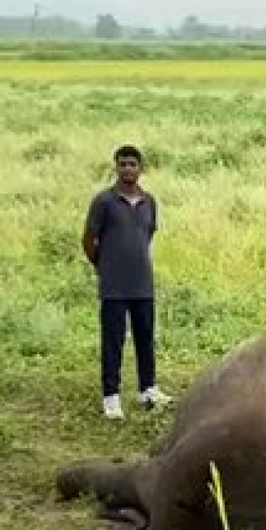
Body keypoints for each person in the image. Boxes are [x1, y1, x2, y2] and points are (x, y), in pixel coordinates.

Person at [83, 145, 171, 421]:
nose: (128, 169)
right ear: (116, 167)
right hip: (114, 285)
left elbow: (149, 234)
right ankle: (111, 397)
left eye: (133, 164)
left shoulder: (150, 202)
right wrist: (102, 264)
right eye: (123, 164)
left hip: (142, 282)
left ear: (141, 168)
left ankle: (148, 389)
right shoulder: (104, 201)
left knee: (145, 337)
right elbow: (88, 238)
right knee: (113, 341)